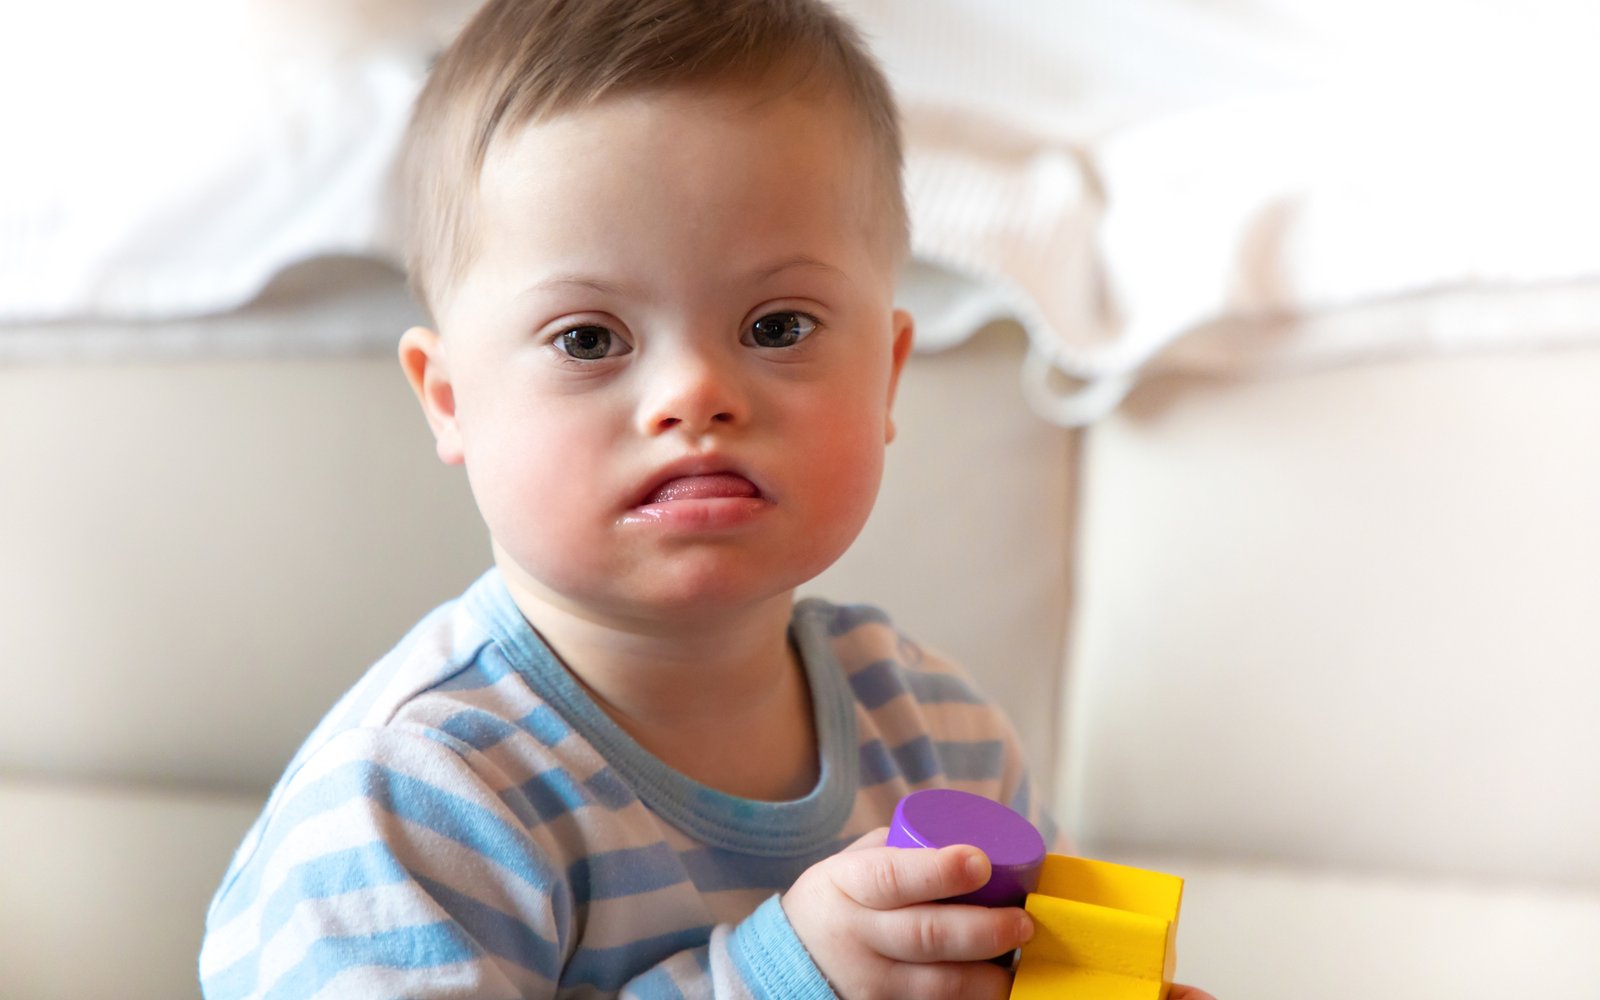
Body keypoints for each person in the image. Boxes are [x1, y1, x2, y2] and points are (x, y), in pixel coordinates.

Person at [200, 1, 1214, 997]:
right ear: (452, 400)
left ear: (886, 377)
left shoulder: (938, 735)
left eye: (776, 326)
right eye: (588, 339)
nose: (695, 394)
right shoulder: (418, 798)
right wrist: (780, 978)